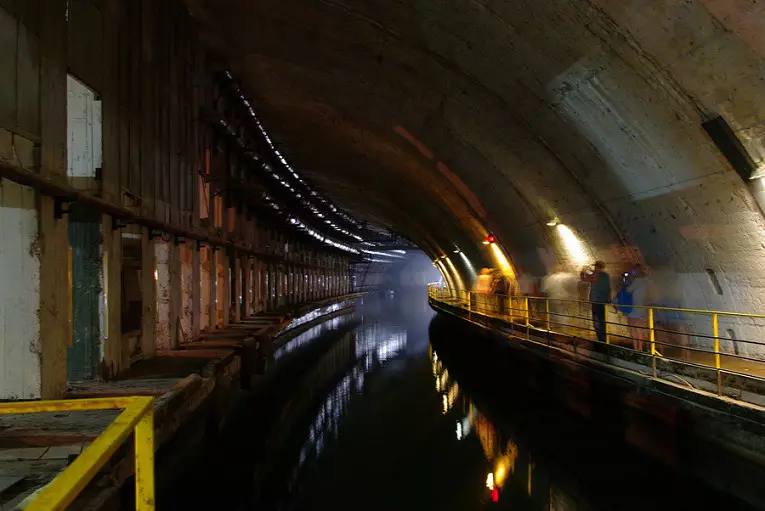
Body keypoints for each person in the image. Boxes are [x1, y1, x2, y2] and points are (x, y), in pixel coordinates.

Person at [581, 261, 611, 345]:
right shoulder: (606, 275)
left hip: (596, 301)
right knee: (603, 321)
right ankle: (604, 339)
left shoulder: (597, 275)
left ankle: (601, 340)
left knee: (597, 321)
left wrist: (583, 271)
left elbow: (584, 278)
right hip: (604, 301)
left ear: (597, 267)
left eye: (595, 267)